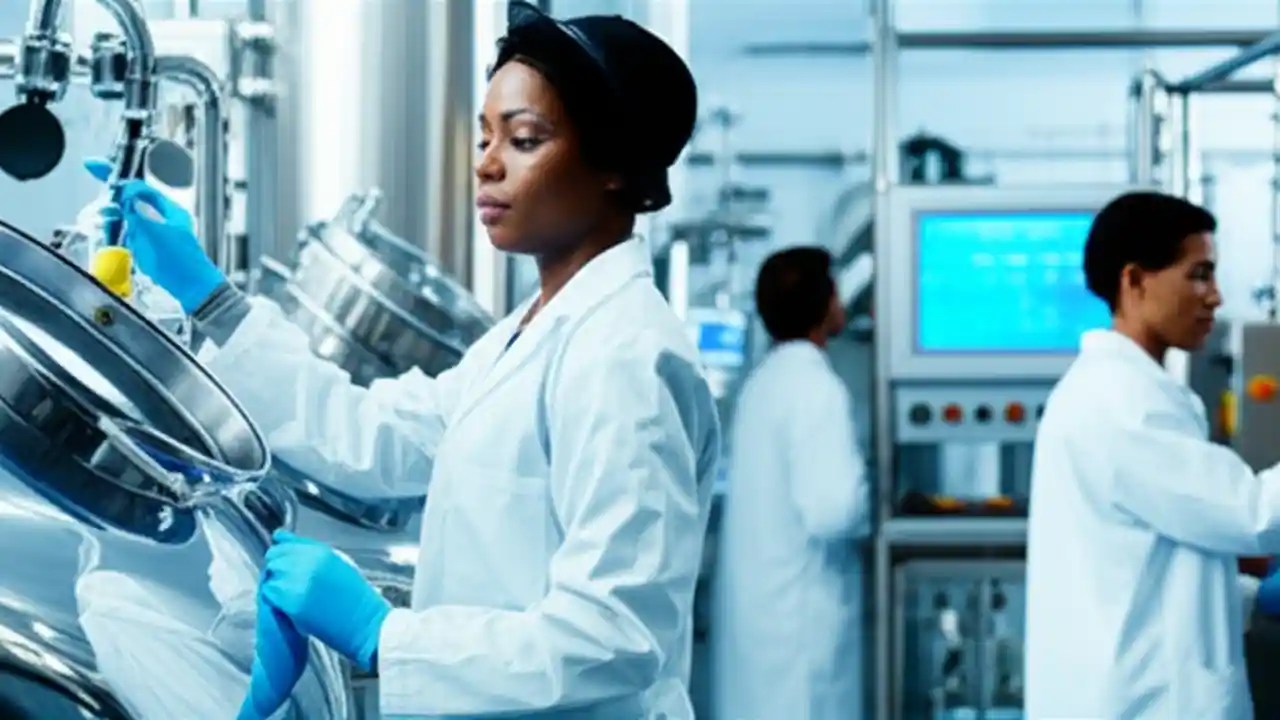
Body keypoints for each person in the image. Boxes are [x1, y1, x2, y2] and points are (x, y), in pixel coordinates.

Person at [86, 3, 721, 718]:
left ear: (613, 163)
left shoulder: (625, 357)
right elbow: (374, 436)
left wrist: (384, 635)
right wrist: (213, 302)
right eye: (484, 136)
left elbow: (616, 634)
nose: (485, 163)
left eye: (524, 138)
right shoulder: (534, 331)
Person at [1024, 191, 1280, 719]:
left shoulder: (1127, 391)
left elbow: (1147, 572)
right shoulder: (1121, 402)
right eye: (1199, 274)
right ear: (1135, 280)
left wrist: (1252, 599)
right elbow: (1250, 514)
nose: (1215, 297)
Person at [712, 246, 870, 720]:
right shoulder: (816, 387)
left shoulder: (764, 383)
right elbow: (834, 512)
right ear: (826, 307)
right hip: (801, 632)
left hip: (764, 625)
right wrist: (872, 493)